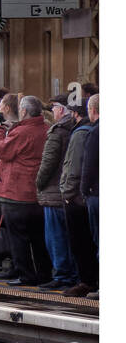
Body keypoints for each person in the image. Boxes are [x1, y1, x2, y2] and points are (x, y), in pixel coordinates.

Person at [0, 94, 52, 287]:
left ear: (23, 111)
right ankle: (44, 273)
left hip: (16, 192)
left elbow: (0, 149)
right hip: (37, 192)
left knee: (18, 238)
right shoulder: (46, 128)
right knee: (38, 237)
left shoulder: (22, 132)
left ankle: (26, 275)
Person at [35, 95, 79, 290]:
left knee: (56, 237)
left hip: (53, 192)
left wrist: (38, 183)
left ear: (61, 110)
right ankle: (74, 273)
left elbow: (48, 163)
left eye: (54, 107)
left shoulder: (58, 131)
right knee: (71, 236)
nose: (52, 111)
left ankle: (62, 275)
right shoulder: (75, 129)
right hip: (70, 192)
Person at [59, 101, 96, 298]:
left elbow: (74, 166)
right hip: (87, 194)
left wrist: (67, 192)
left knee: (81, 241)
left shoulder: (81, 133)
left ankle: (86, 281)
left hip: (78, 198)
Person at [80, 93, 99, 300]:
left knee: (100, 240)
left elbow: (89, 165)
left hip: (97, 194)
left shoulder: (95, 132)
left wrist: (84, 191)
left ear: (92, 110)